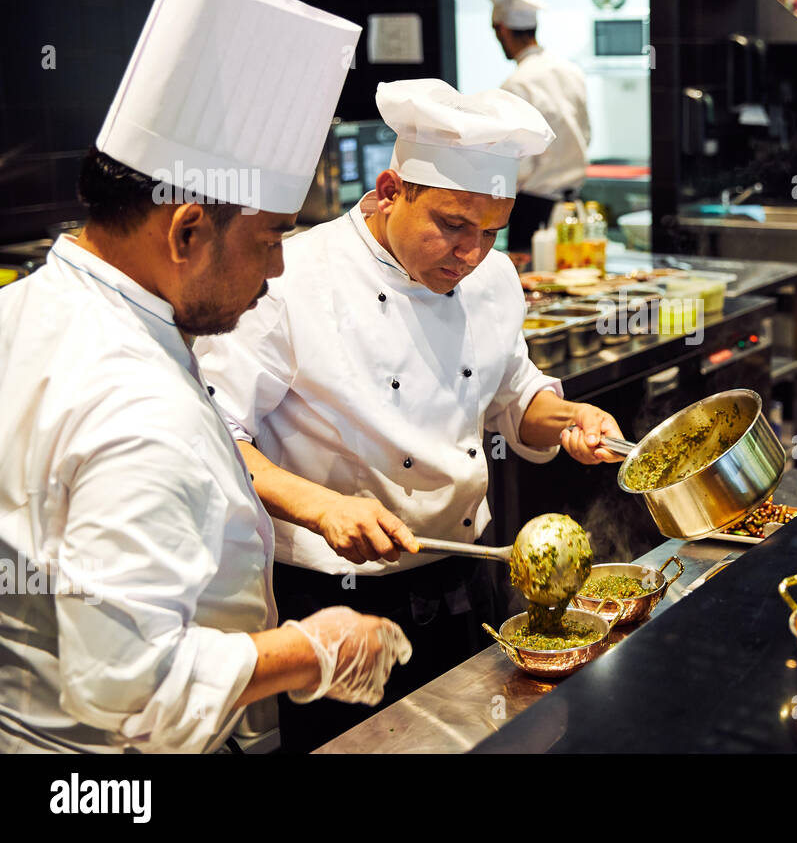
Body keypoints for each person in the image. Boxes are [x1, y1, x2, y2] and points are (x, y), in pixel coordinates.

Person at [0, 0, 410, 754]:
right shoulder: (137, 406)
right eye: (270, 238)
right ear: (187, 232)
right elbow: (128, 687)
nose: (280, 267)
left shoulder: (22, 307)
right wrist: (312, 650)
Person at [195, 78, 626, 752]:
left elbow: (517, 395)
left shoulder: (488, 279)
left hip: (470, 577)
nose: (471, 255)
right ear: (392, 188)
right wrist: (321, 507)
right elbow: (212, 432)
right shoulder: (289, 278)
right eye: (452, 226)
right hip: (338, 603)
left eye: (490, 232)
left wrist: (567, 417)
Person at [484, 0, 592, 251]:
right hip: (574, 207)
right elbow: (586, 135)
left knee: (534, 288)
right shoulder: (570, 70)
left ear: (503, 30)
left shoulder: (517, 83)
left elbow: (517, 161)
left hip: (534, 212)